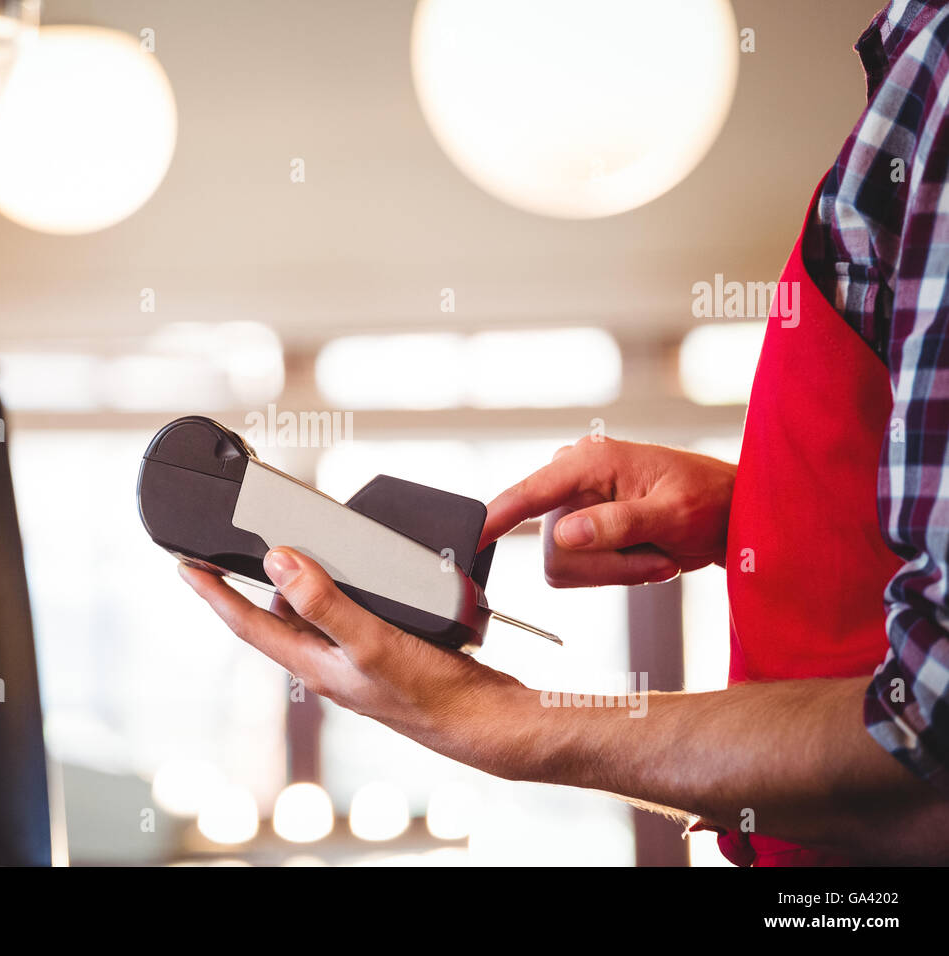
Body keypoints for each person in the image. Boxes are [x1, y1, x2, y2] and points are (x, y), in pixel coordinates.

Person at [179, 0, 949, 865]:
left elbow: (928, 750)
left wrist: (503, 721)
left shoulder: (938, 73)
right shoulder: (912, 79)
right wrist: (776, 515)